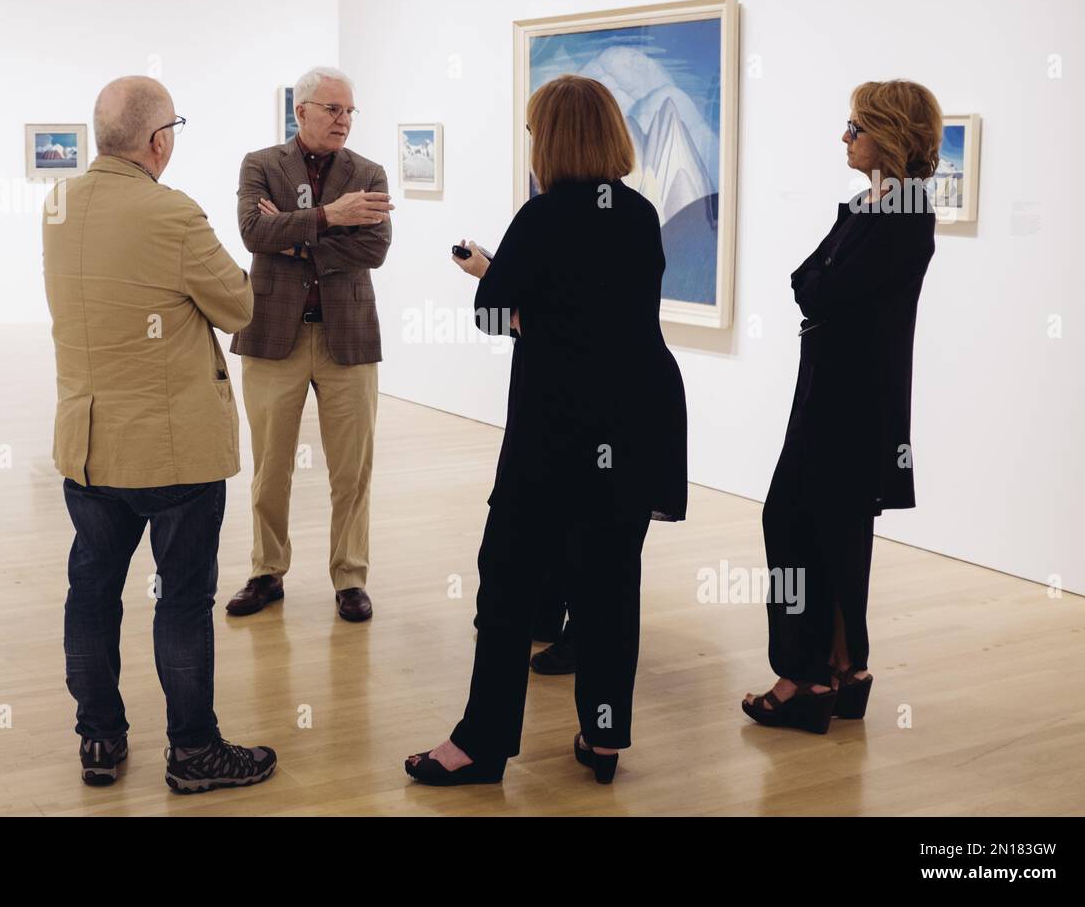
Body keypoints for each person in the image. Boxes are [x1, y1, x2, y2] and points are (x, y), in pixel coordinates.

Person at [405, 75, 688, 786]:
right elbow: (607, 316)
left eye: (535, 131)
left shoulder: (543, 216)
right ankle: (604, 737)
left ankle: (482, 741)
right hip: (636, 420)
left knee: (507, 583)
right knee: (610, 585)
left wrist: (494, 277)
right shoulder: (638, 213)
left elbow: (497, 314)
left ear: (552, 139)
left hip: (556, 428)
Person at [44, 76, 277, 793]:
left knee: (91, 592)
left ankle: (100, 740)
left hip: (87, 444)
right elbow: (238, 306)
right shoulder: (172, 213)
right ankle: (193, 751)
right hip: (173, 451)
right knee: (180, 599)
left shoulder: (57, 203)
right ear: (159, 140)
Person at [742, 80, 940, 734]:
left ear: (891, 133)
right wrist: (817, 280)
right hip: (840, 388)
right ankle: (843, 667)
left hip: (850, 399)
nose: (845, 136)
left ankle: (801, 677)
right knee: (834, 528)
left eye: (856, 126)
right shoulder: (872, 203)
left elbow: (817, 289)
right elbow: (812, 278)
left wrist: (817, 281)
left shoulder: (901, 211)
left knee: (795, 522)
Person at [224, 66, 393, 623]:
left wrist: (295, 236)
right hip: (276, 336)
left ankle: (350, 576)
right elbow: (253, 232)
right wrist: (330, 217)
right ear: (301, 112)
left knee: (353, 468)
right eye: (333, 110)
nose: (343, 120)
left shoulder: (369, 172)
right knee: (271, 466)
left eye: (349, 111)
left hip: (347, 337)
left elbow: (374, 250)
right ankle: (266, 571)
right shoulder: (261, 164)